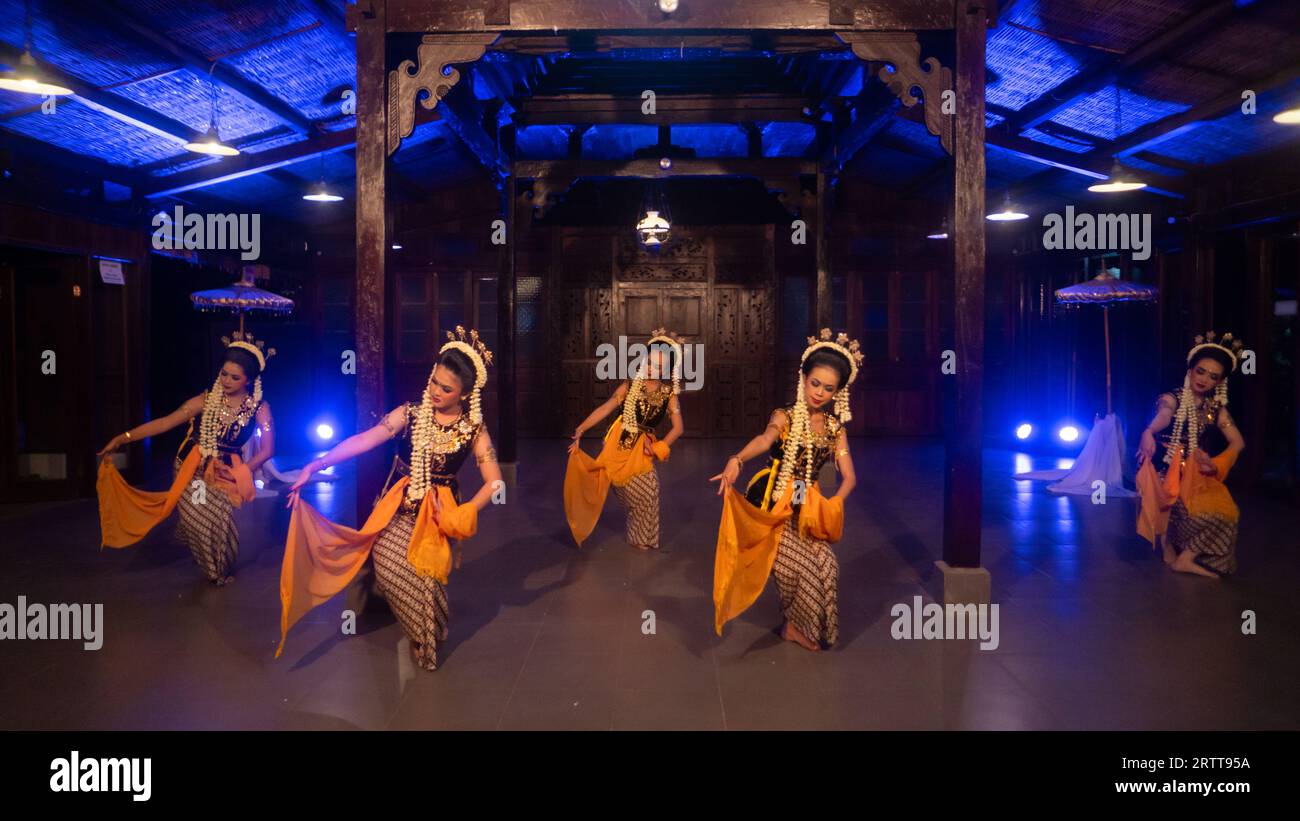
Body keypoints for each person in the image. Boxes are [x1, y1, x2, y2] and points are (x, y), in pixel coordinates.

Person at [278, 326, 501, 670]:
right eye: (433, 382)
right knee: (390, 568)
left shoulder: (474, 429)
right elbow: (364, 440)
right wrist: (316, 464)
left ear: (465, 393)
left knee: (427, 578)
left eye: (446, 388)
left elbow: (495, 483)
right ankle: (422, 631)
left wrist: (467, 510)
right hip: (396, 508)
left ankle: (428, 638)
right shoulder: (411, 414)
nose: (436, 391)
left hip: (439, 515)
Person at [711, 328, 860, 650]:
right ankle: (794, 627)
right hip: (774, 495)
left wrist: (832, 504)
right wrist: (737, 459)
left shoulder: (835, 428)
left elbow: (849, 477)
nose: (819, 393)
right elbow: (765, 439)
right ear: (804, 379)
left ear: (838, 393)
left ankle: (797, 625)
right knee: (795, 565)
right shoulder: (785, 417)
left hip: (807, 502)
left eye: (828, 388)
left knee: (827, 564)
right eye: (815, 383)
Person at [96, 330, 275, 586]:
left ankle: (219, 564)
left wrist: (242, 471)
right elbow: (166, 422)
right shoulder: (206, 400)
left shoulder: (260, 409)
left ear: (249, 380)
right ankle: (214, 572)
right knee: (197, 519)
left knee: (218, 524)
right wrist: (123, 438)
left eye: (235, 377)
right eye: (223, 374)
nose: (226, 381)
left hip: (224, 474)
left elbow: (268, 450)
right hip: (191, 469)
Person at [1136, 331, 1246, 577]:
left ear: (1220, 383)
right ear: (1190, 370)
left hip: (1193, 473)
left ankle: (1185, 558)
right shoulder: (1171, 398)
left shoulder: (1216, 408)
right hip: (1163, 469)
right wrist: (1149, 431)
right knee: (1171, 504)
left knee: (1227, 513)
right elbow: (1164, 415)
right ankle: (1166, 543)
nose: (1205, 379)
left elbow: (1238, 442)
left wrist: (1216, 464)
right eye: (1201, 371)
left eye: (1213, 376)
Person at [563, 328, 685, 550]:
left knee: (651, 490)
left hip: (643, 448)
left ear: (666, 369)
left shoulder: (669, 395)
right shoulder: (629, 386)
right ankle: (636, 534)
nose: (651, 369)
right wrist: (581, 428)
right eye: (649, 362)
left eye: (658, 366)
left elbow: (678, 428)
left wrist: (659, 446)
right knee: (625, 491)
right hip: (618, 443)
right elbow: (606, 408)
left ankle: (643, 540)